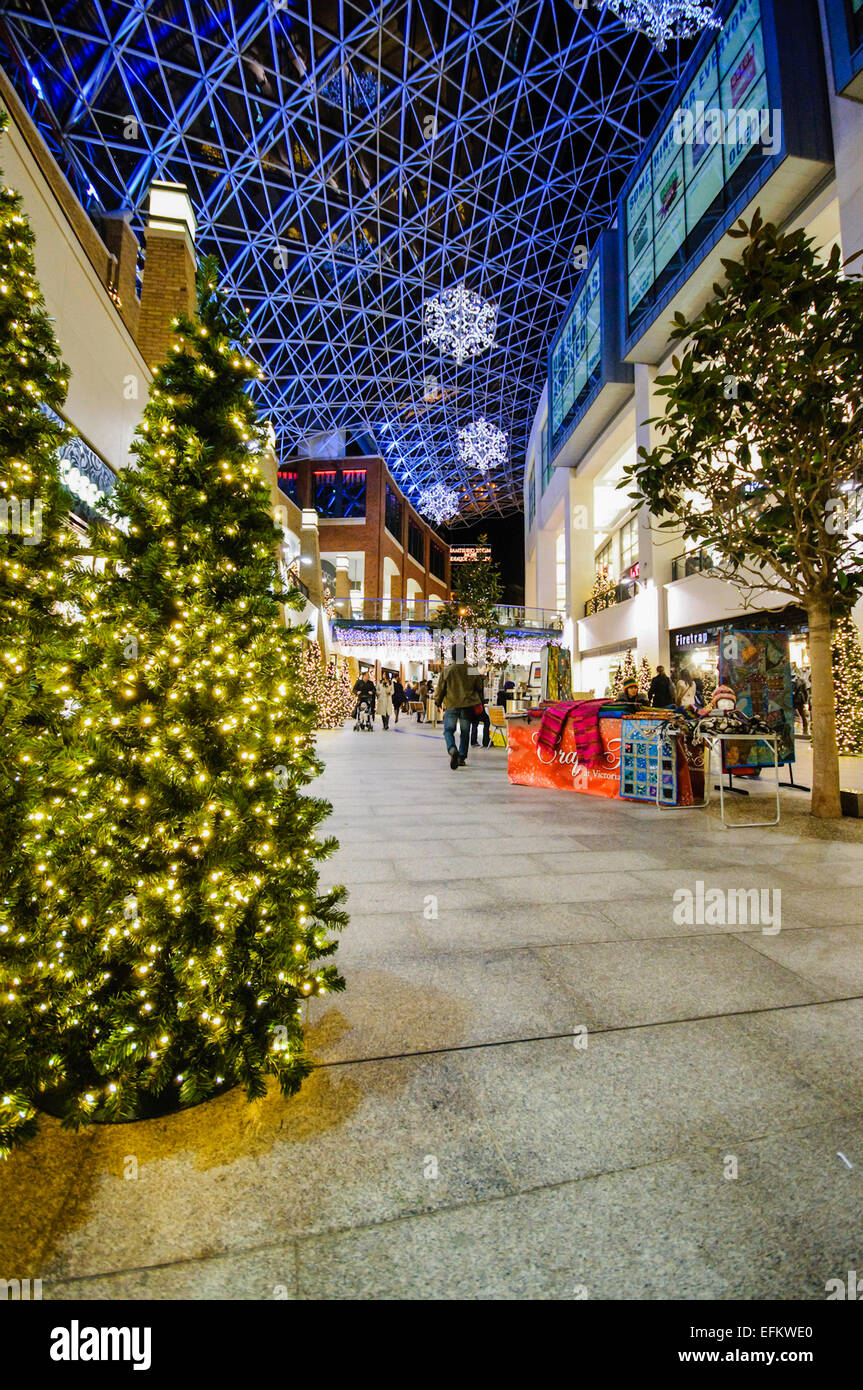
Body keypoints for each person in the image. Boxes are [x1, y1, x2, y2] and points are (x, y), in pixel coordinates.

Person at [435, 644, 477, 770]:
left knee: (448, 730)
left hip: (452, 705)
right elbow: (479, 687)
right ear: (464, 655)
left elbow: (441, 689)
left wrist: (438, 702)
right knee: (465, 732)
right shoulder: (472, 669)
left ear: (452, 655)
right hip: (467, 705)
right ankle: (462, 757)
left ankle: (452, 749)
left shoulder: (447, 670)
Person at [470, 672, 491, 748]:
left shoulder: (470, 683)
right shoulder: (479, 683)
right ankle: (486, 741)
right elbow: (480, 695)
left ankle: (473, 741)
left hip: (472, 707)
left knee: (475, 723)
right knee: (486, 721)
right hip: (478, 706)